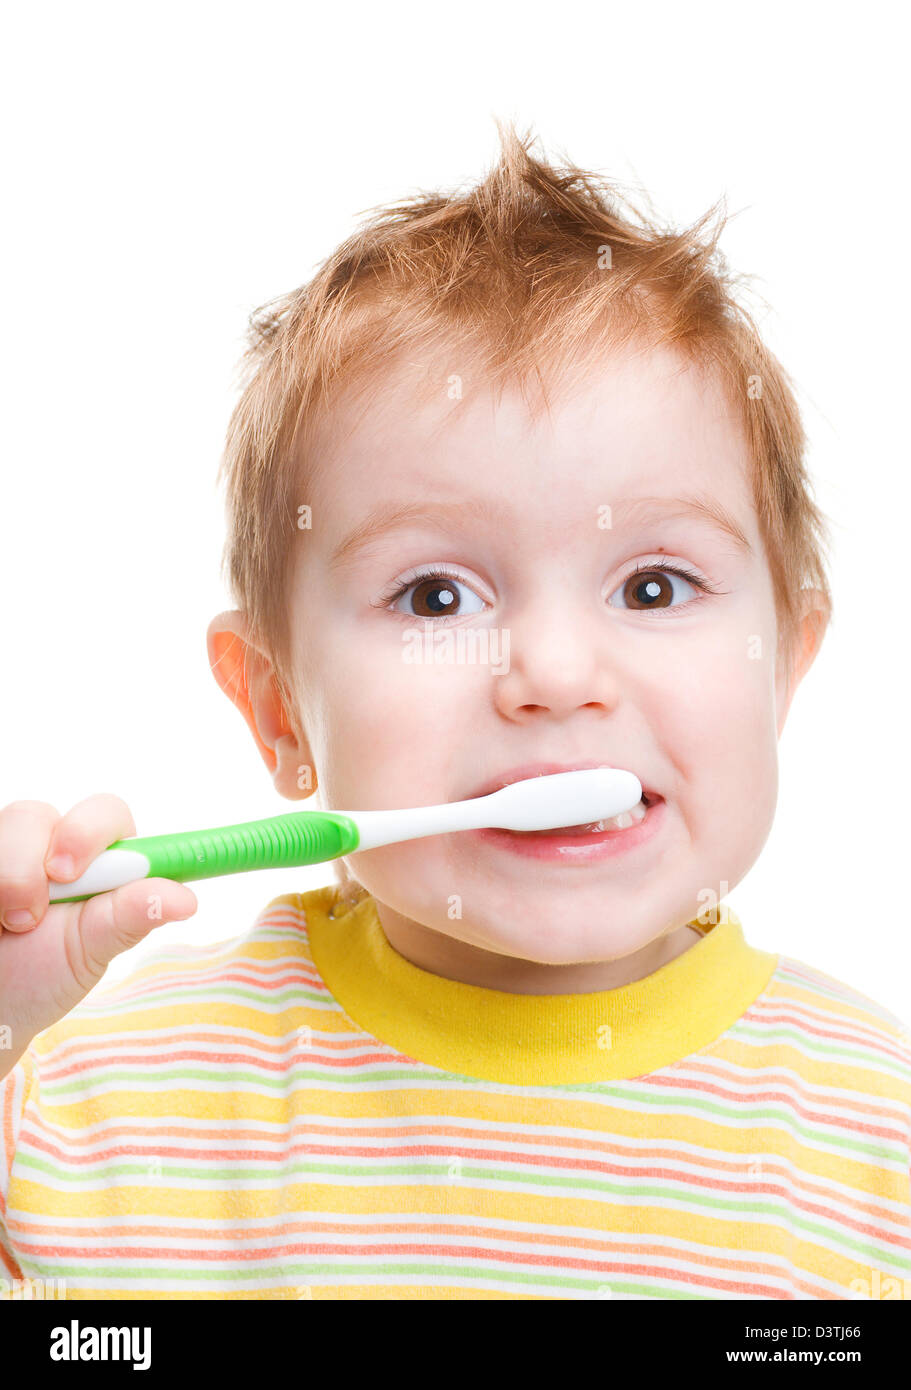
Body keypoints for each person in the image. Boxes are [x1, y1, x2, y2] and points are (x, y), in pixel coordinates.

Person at [2, 122, 908, 1300]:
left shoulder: (872, 1150)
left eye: (652, 585)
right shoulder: (103, 1104)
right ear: (277, 708)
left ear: (781, 665)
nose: (552, 670)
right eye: (436, 595)